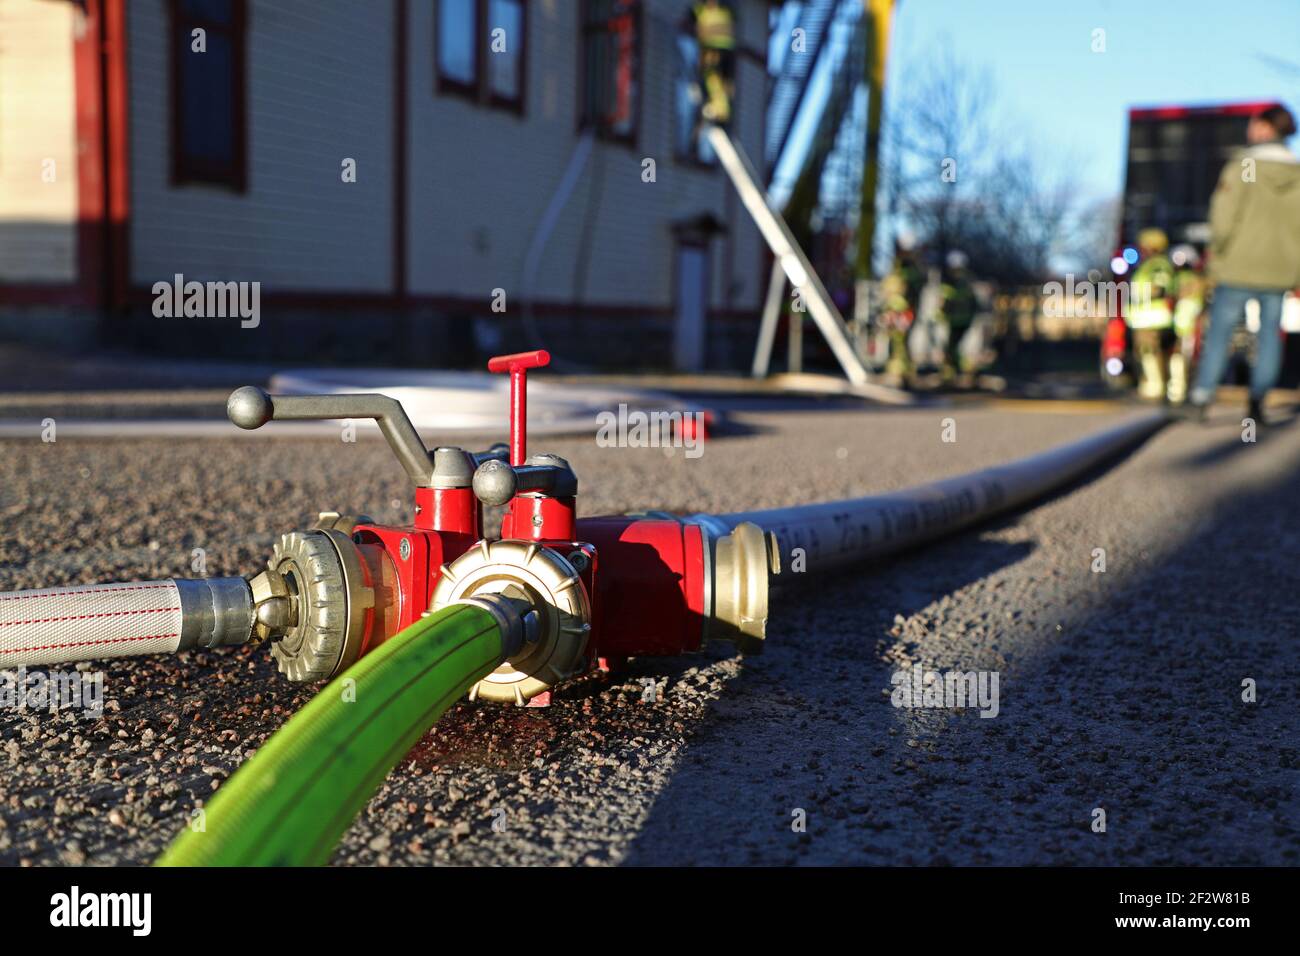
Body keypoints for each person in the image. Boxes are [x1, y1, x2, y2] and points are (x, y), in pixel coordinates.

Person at [1190, 104, 1300, 424]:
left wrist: (1217, 253)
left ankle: (1202, 397)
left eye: (1254, 123)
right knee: (1269, 337)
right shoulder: (1296, 172)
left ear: (1266, 128)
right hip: (1280, 270)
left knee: (1221, 332)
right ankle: (1256, 401)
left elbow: (1224, 217)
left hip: (1238, 265)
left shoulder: (1245, 164)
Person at [1125, 228, 1177, 401]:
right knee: (1149, 352)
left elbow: (1159, 287)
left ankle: (1156, 385)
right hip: (1147, 317)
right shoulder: (1150, 264)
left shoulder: (1157, 265)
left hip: (1152, 317)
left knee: (1150, 352)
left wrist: (1141, 295)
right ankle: (1158, 384)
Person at [1167, 243, 1207, 405]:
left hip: (1184, 328)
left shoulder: (1176, 280)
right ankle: (1188, 391)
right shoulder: (1200, 280)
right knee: (1190, 361)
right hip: (1191, 328)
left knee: (1180, 360)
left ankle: (1178, 392)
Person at [693, 0, 735, 126]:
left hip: (713, 50)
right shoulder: (726, 12)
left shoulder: (702, 11)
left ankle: (719, 111)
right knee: (724, 84)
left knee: (712, 78)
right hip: (727, 50)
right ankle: (722, 111)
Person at [940, 250, 978, 383]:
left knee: (952, 347)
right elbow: (975, 302)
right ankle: (961, 371)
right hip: (964, 320)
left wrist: (942, 312)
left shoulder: (953, 282)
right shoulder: (968, 280)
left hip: (956, 320)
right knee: (955, 347)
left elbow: (946, 301)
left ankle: (956, 372)